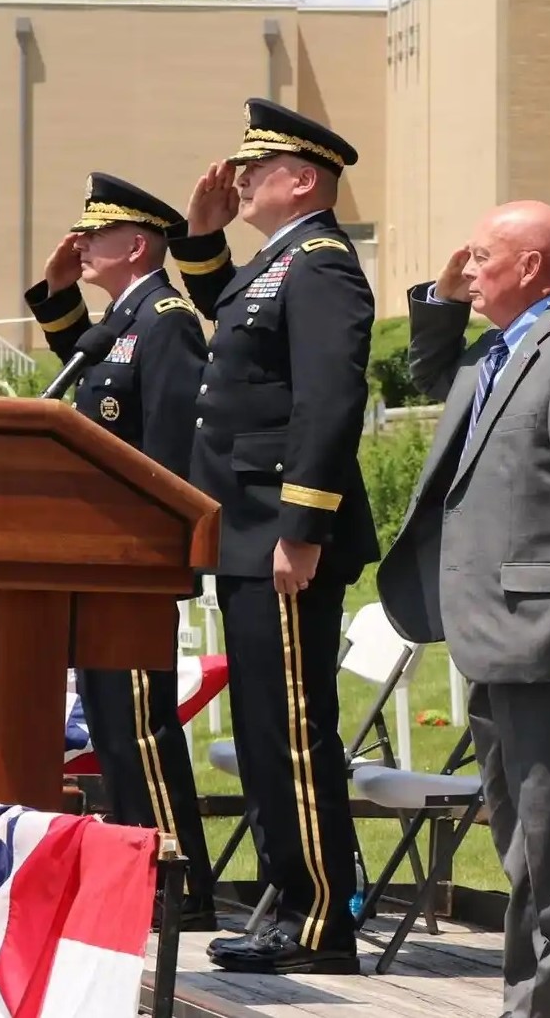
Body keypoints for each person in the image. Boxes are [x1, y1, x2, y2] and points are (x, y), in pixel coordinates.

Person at [376, 201, 550, 1018]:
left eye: (483, 257)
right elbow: (428, 373)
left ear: (530, 266)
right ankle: (528, 998)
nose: (469, 266)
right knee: (522, 843)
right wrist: (445, 297)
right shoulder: (496, 351)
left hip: (546, 637)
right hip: (490, 633)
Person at [172, 98, 378, 975]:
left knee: (293, 729)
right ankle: (284, 897)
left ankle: (320, 918)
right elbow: (234, 315)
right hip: (249, 531)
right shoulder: (279, 261)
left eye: (257, 170)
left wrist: (303, 528)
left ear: (303, 179)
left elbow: (327, 402)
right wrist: (201, 235)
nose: (241, 178)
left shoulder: (324, 264)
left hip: (283, 536)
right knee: (261, 729)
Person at [25, 171, 217, 930]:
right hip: (103, 559)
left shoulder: (165, 317)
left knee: (140, 724)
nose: (80, 244)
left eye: (94, 236)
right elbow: (89, 377)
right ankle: (147, 871)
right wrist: (58, 289)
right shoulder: (125, 319)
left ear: (134, 245)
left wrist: (162, 549)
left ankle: (182, 883)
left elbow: (167, 446)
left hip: (135, 561)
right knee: (112, 725)